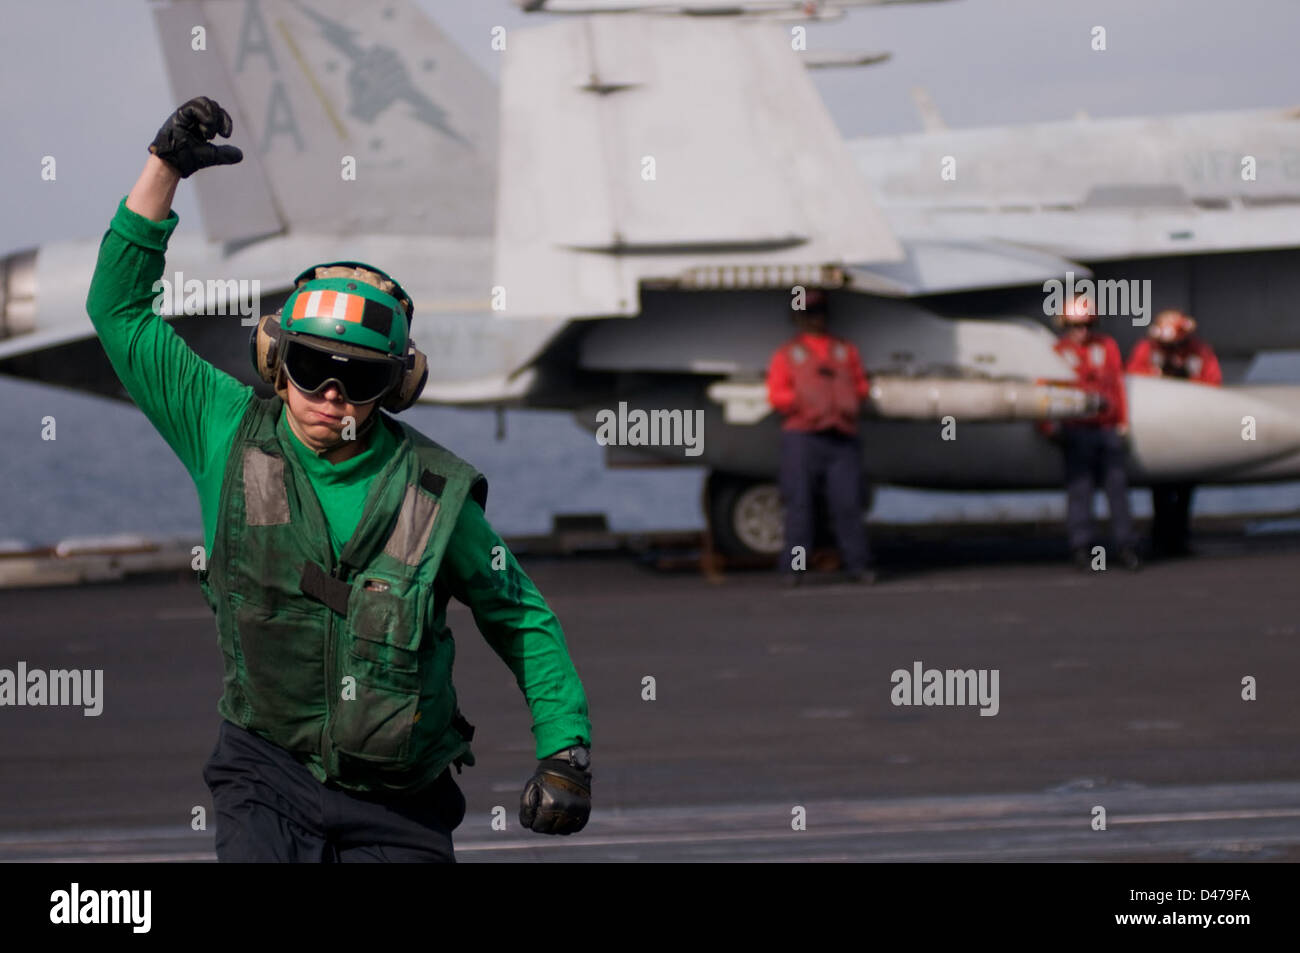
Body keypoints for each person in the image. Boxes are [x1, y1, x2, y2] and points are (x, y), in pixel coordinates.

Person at [85, 98, 592, 862]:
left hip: (402, 801)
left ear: (396, 387)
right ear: (275, 361)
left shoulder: (434, 494)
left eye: (357, 378)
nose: (330, 394)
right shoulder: (223, 427)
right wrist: (164, 169)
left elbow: (519, 614)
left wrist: (566, 750)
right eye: (312, 366)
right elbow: (118, 311)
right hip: (266, 774)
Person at [766, 288, 874, 585]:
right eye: (807, 313)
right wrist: (803, 404)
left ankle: (858, 565)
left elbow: (860, 385)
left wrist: (848, 402)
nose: (813, 318)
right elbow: (777, 394)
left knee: (848, 504)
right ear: (796, 317)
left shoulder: (844, 350)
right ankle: (794, 568)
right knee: (799, 506)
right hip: (802, 437)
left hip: (842, 436)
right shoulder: (788, 355)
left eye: (817, 311)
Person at [1046, 297, 1141, 571]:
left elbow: (1117, 386)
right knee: (1080, 491)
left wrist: (1122, 421)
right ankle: (1081, 547)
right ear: (1066, 326)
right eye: (1076, 326)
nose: (1082, 332)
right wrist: (1048, 427)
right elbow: (1046, 389)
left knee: (1118, 489)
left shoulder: (1106, 346)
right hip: (1075, 430)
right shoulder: (1057, 352)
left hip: (1106, 429)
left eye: (1086, 325)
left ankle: (1126, 546)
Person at [1127, 309, 1222, 557]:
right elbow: (1133, 379)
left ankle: (1179, 539)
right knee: (1160, 488)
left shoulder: (1200, 352)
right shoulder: (1146, 351)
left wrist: (1187, 382)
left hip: (1190, 431)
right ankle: (1160, 538)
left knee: (1185, 489)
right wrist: (1159, 378)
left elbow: (1214, 384)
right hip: (1160, 431)